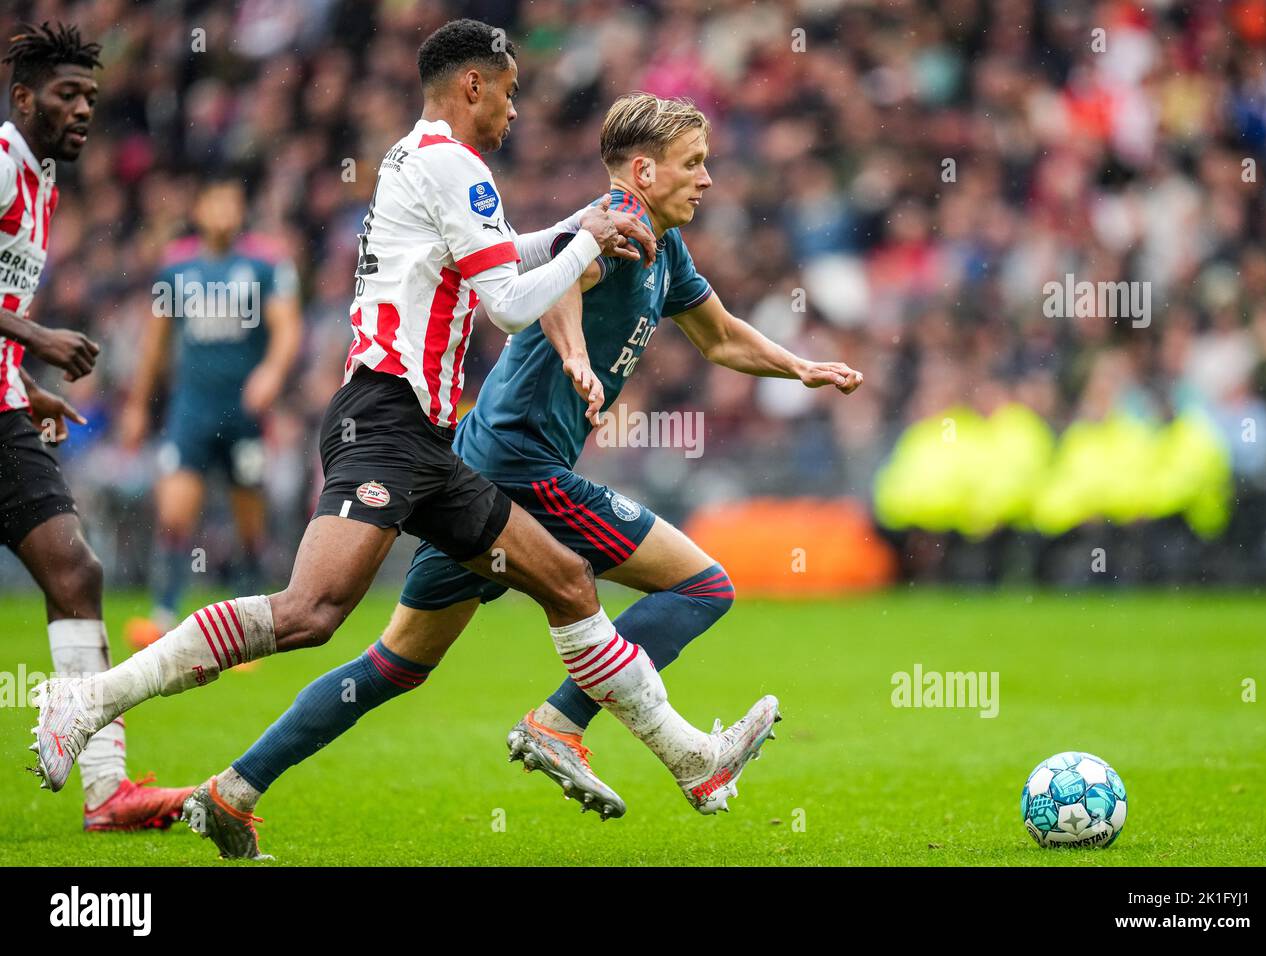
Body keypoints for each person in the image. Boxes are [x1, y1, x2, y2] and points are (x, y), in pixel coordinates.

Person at [31, 21, 778, 857]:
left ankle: (689, 760)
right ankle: (91, 699)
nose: (513, 110)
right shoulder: (454, 163)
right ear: (473, 86)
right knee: (311, 612)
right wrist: (588, 244)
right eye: (508, 92)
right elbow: (506, 302)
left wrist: (573, 229)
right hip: (382, 419)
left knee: (567, 584)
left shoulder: (416, 159)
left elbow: (492, 258)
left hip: (430, 441)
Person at [183, 92, 860, 859]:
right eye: (694, 164)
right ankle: (560, 723)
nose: (707, 180)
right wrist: (573, 353)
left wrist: (798, 365)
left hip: (474, 467)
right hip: (519, 464)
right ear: (643, 170)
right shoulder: (610, 229)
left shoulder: (664, 247)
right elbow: (560, 287)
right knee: (702, 585)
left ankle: (231, 791)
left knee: (394, 664)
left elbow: (722, 338)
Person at [1, 21, 192, 830]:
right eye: (66, 94)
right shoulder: (3, 163)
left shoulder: (40, 180)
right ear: (22, 97)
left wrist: (24, 381)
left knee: (76, 575)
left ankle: (107, 791)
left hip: (3, 404)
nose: (82, 109)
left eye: (89, 97)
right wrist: (35, 340)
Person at [119, 177, 302, 646]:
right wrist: (138, 406)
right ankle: (163, 617)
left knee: (249, 524)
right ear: (198, 208)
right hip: (191, 410)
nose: (224, 210)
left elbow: (287, 329)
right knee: (175, 514)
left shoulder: (266, 263)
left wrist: (272, 374)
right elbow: (155, 342)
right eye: (215, 201)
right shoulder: (175, 268)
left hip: (244, 412)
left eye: (232, 202)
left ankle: (247, 632)